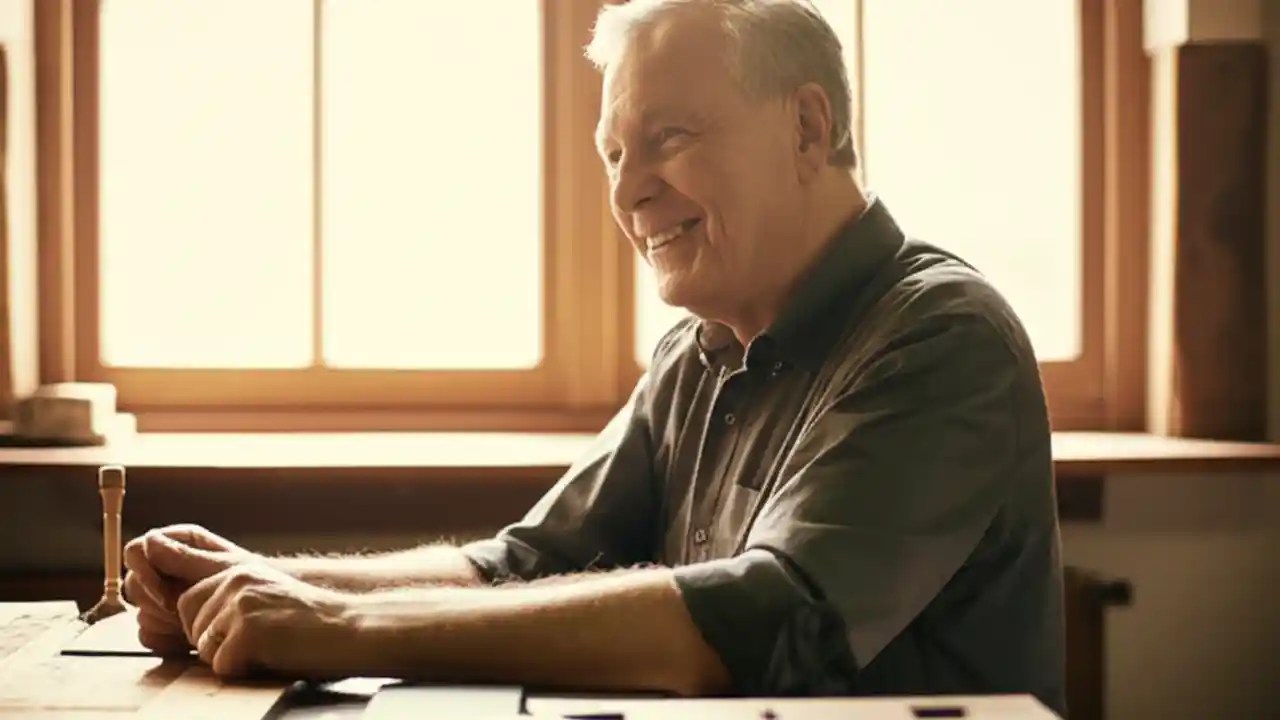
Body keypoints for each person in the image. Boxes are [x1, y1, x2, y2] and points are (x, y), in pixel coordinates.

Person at [124, 0, 1066, 713]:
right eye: (614, 154)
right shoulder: (694, 357)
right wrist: (263, 584)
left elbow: (768, 621)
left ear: (808, 130)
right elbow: (524, 565)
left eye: (668, 138)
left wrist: (333, 628)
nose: (628, 192)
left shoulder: (944, 337)